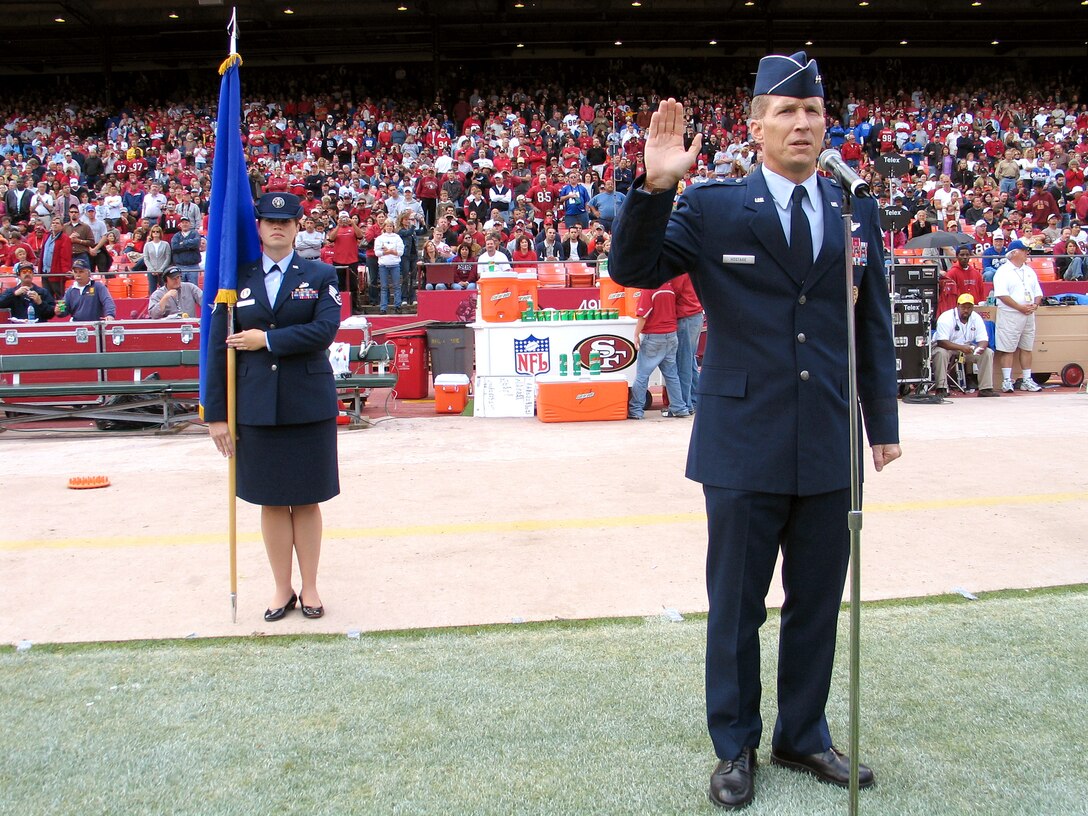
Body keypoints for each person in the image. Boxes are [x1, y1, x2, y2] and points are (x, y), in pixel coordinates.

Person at [609, 52, 901, 810]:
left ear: (824, 123)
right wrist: (656, 186)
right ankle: (734, 744)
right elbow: (634, 267)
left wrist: (883, 421)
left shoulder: (853, 208)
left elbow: (870, 324)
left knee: (817, 601)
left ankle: (802, 733)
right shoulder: (712, 207)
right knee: (736, 604)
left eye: (813, 111)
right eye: (785, 112)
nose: (801, 123)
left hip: (831, 439)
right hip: (742, 441)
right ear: (755, 126)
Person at [205, 192, 341, 622]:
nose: (277, 227)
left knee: (306, 499)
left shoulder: (320, 274)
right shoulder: (235, 279)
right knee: (270, 500)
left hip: (307, 403)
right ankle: (282, 588)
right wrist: (215, 413)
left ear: (299, 227)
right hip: (256, 405)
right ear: (258, 227)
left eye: (286, 221)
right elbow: (216, 347)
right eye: (268, 220)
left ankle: (312, 587)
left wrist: (266, 339)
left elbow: (324, 331)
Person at [626, 280, 688, 420]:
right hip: (671, 335)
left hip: (653, 336)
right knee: (672, 375)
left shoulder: (649, 290)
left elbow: (643, 316)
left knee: (642, 375)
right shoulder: (669, 289)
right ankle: (679, 407)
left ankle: (636, 410)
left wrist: (636, 335)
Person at [992, 239, 1044, 393]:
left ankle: (1027, 379)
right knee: (1007, 348)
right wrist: (1020, 307)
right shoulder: (1003, 271)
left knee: (1027, 347)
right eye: (1024, 250)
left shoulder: (1029, 270)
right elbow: (1001, 295)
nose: (1026, 253)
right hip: (1010, 314)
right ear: (1014, 253)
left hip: (1028, 314)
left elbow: (1038, 292)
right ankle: (1007, 380)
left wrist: (1035, 304)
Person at [931, 293, 998, 398]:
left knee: (987, 353)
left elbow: (983, 339)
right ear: (957, 305)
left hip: (966, 346)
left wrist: (980, 348)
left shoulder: (976, 318)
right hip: (947, 346)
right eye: (963, 307)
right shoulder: (946, 317)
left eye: (969, 307)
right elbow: (941, 342)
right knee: (940, 353)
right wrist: (962, 348)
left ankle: (985, 389)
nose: (966, 310)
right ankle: (941, 388)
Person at [672, 272, 703, 416]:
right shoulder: (688, 267)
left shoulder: (679, 270)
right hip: (694, 315)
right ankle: (695, 401)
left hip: (686, 316)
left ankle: (685, 404)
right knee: (690, 361)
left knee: (684, 362)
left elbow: (674, 292)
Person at [169, 216, 202, 284]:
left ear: (190, 224)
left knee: (194, 288)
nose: (184, 224)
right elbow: (174, 247)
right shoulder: (176, 236)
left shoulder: (195, 233)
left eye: (186, 222)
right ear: (180, 225)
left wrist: (183, 243)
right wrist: (189, 246)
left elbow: (196, 243)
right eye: (183, 223)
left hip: (193, 266)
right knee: (180, 287)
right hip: (180, 266)